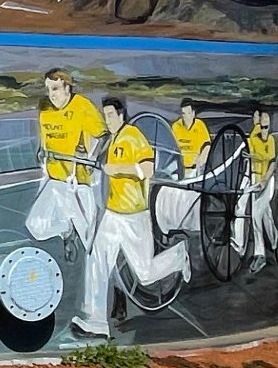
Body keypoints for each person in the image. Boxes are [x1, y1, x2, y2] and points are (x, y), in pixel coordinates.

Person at [73, 98, 191, 339]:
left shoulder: (133, 136)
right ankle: (95, 321)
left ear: (121, 115)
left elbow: (147, 170)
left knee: (145, 273)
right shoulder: (112, 139)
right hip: (113, 214)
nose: (107, 120)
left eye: (110, 115)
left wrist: (119, 169)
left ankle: (178, 256)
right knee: (97, 261)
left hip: (134, 216)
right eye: (105, 116)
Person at [27, 68, 103, 259]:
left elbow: (104, 136)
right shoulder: (44, 107)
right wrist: (40, 150)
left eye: (55, 89)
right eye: (48, 90)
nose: (51, 95)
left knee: (90, 240)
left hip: (78, 181)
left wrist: (92, 158)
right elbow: (45, 136)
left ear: (67, 88)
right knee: (36, 225)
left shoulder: (82, 106)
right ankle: (66, 230)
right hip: (54, 177)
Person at [241, 111, 278, 272]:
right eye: (262, 126)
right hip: (256, 179)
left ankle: (260, 255)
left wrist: (264, 180)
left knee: (256, 213)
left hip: (266, 180)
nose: (264, 130)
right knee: (266, 214)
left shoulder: (270, 140)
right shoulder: (253, 137)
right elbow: (249, 157)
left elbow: (271, 163)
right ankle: (275, 239)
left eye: (267, 127)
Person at [170, 99, 211, 181]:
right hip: (178, 167)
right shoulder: (176, 126)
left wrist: (201, 160)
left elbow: (207, 145)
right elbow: (170, 145)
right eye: (183, 114)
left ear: (193, 113)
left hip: (194, 168)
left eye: (188, 113)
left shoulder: (199, 125)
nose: (186, 117)